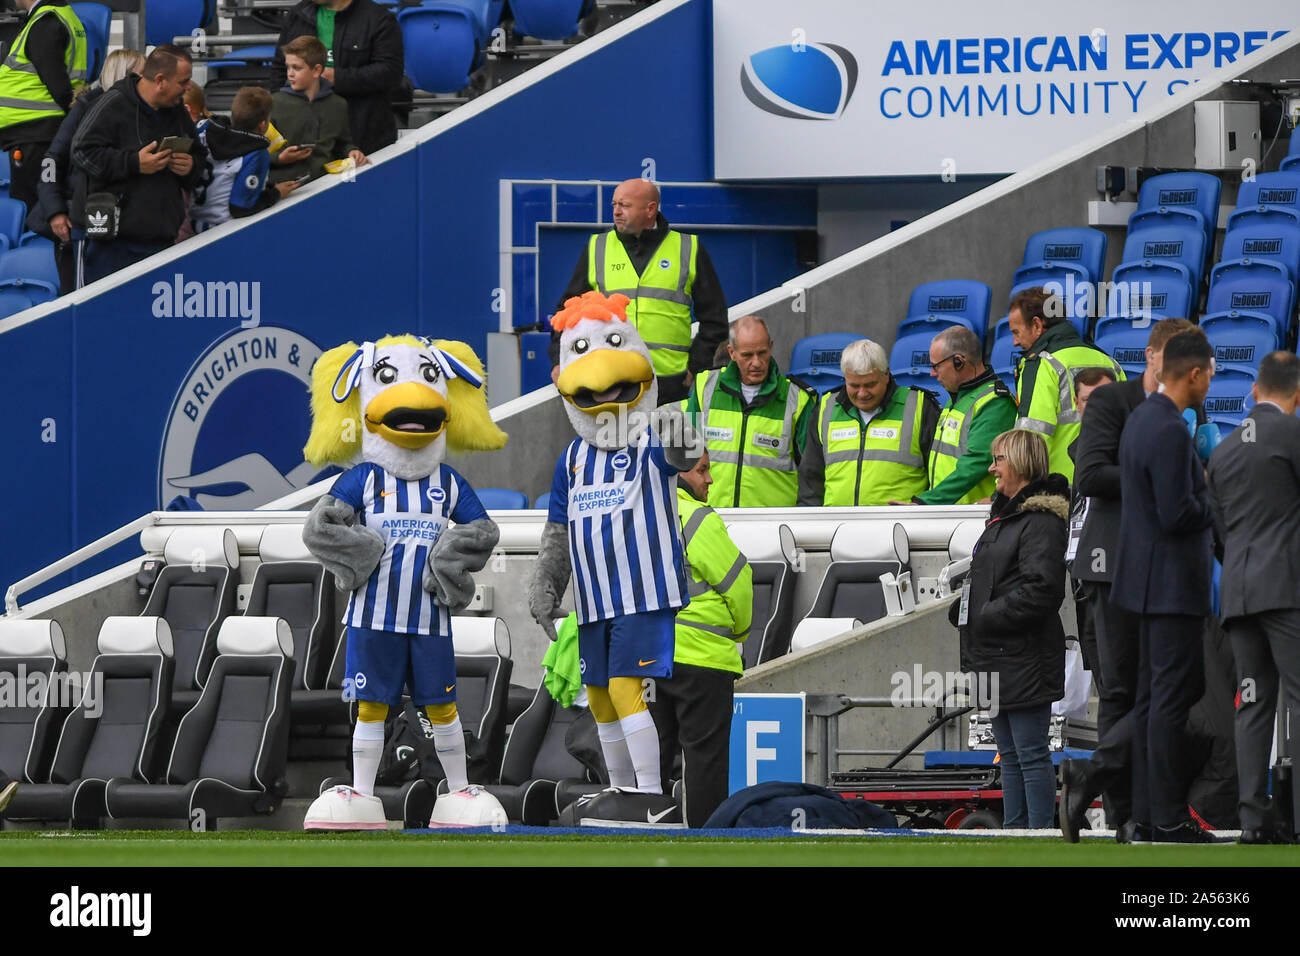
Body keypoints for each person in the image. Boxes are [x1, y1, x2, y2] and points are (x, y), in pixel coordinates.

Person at [1058, 317, 1198, 843]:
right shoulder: (1113, 402)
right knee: (1122, 689)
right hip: (1111, 562)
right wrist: (1157, 475)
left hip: (1165, 566)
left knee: (1167, 691)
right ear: (1151, 355)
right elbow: (1089, 475)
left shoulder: (1187, 401)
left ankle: (1120, 793)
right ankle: (1127, 817)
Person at [1112, 330, 1217, 844]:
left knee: (1155, 703)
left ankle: (1152, 819)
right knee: (1169, 705)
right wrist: (1213, 503)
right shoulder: (1172, 430)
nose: (1212, 380)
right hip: (1171, 586)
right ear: (1193, 374)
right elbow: (1179, 514)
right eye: (1210, 372)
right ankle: (1169, 819)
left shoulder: (1141, 419)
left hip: (1146, 584)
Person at [949, 428, 1068, 829]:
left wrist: (984, 614)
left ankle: (1038, 835)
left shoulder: (1040, 521)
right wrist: (964, 610)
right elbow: (995, 582)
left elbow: (1042, 590)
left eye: (998, 459)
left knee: (1030, 752)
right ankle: (1017, 835)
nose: (991, 468)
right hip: (1000, 656)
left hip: (1025, 657)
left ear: (1019, 462)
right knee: (1011, 753)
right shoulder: (1005, 518)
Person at [1207, 350, 1300, 845]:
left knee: (1252, 702)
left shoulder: (1222, 450)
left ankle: (1252, 820)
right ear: (1297, 394)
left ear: (1255, 390)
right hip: (1287, 589)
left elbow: (1217, 527)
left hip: (1238, 595)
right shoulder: (1293, 434)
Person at [549, 178, 728, 405]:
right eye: (614, 205)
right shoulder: (597, 247)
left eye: (624, 205)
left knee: (667, 442)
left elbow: (715, 319)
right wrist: (559, 360)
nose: (616, 212)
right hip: (613, 382)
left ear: (650, 209)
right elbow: (566, 311)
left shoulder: (688, 248)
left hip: (671, 385)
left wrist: (696, 367)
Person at [650, 450, 752, 826]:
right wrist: (738, 633)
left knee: (650, 758)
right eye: (702, 470)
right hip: (703, 660)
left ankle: (642, 836)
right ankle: (704, 843)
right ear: (677, 472)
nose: (710, 480)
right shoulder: (697, 517)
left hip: (646, 655)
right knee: (704, 758)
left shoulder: (636, 513)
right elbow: (738, 584)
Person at [69, 45, 207, 285]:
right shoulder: (112, 104)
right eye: (183, 82)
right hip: (111, 245)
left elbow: (198, 153)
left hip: (161, 240)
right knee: (107, 318)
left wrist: (190, 166)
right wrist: (134, 163)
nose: (187, 88)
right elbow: (81, 152)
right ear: (161, 81)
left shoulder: (176, 111)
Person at [29, 47, 142, 294]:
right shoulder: (85, 108)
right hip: (79, 224)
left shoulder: (141, 112)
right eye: (140, 75)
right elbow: (51, 160)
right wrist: (55, 211)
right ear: (125, 75)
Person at [684, 315, 813, 507]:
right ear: (732, 352)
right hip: (713, 519)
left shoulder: (798, 399)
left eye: (762, 353)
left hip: (772, 526)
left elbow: (813, 475)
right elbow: (686, 459)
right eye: (747, 355)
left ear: (771, 347)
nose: (756, 363)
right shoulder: (705, 387)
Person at [800, 337, 939, 506]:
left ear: (886, 374)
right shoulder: (826, 408)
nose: (862, 394)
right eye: (854, 386)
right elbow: (811, 479)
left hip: (899, 527)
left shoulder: (920, 407)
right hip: (837, 527)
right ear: (844, 378)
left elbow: (939, 475)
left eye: (870, 385)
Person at [1010, 286, 1124, 483]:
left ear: (1037, 325)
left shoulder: (1041, 364)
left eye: (1016, 332)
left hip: (1058, 492)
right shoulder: (1110, 362)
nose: (1014, 342)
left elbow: (1030, 439)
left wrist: (1008, 491)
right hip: (1104, 487)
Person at [273, 0, 404, 156]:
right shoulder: (298, 14)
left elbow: (390, 72)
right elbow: (279, 68)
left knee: (353, 180)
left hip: (361, 135)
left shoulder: (378, 18)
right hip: (304, 138)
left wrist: (337, 78)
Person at [912, 325, 1017, 505]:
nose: (932, 373)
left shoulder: (994, 403)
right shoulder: (959, 397)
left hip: (974, 516)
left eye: (936, 366)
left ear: (959, 361)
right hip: (951, 512)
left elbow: (975, 464)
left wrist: (927, 502)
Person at [0, 0, 85, 211]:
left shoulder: (46, 22)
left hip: (34, 133)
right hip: (35, 132)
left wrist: (74, 119)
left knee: (31, 205)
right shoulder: (61, 15)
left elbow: (57, 83)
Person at [190, 87, 299, 233]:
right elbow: (240, 208)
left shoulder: (205, 128)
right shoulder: (257, 153)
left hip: (190, 224)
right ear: (263, 125)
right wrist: (275, 194)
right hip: (221, 231)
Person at [269, 36, 367, 186]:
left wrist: (352, 151)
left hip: (325, 187)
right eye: (288, 67)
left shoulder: (338, 105)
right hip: (284, 190)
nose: (290, 74)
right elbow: (255, 153)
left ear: (316, 70)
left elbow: (343, 142)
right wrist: (279, 158)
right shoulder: (273, 103)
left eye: (297, 68)